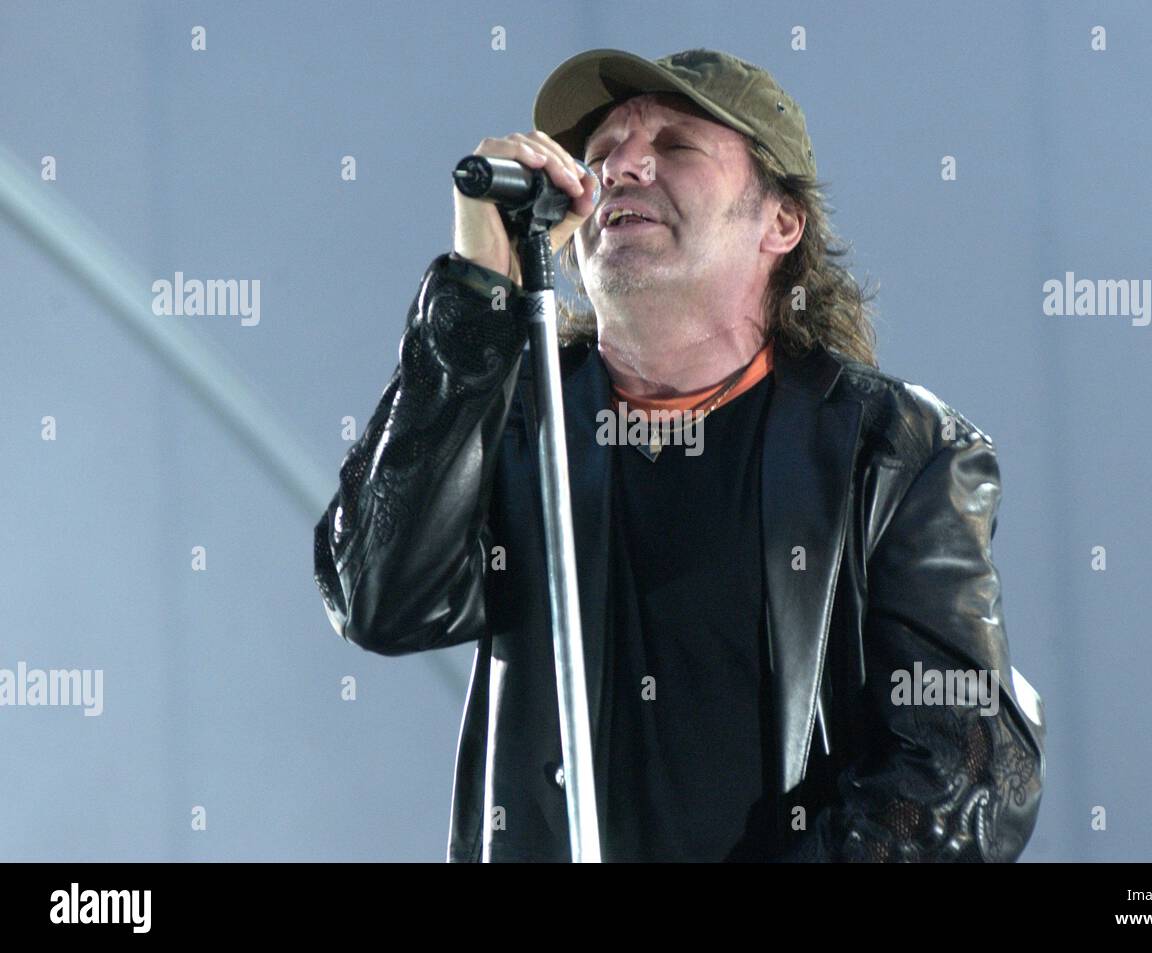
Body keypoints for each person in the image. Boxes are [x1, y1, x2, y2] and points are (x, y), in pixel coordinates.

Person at [313, 47, 1046, 862]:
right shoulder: (518, 420)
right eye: (600, 155)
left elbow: (968, 770)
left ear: (781, 221)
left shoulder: (897, 451)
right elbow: (376, 595)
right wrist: (475, 295)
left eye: (676, 147)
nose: (621, 167)